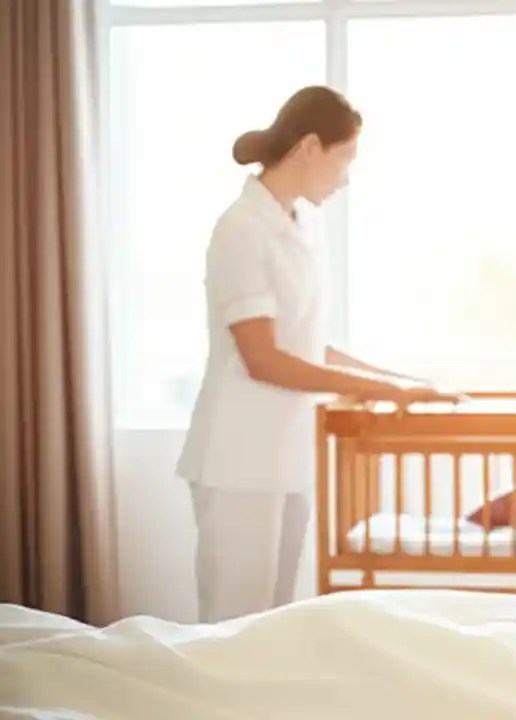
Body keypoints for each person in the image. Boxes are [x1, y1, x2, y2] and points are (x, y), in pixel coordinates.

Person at [176, 86, 461, 624]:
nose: (346, 178)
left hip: (286, 450)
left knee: (277, 619)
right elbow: (264, 358)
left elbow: (309, 346)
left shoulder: (300, 223)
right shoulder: (241, 228)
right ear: (309, 147)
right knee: (234, 620)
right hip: (238, 454)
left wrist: (402, 383)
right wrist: (384, 389)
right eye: (344, 159)